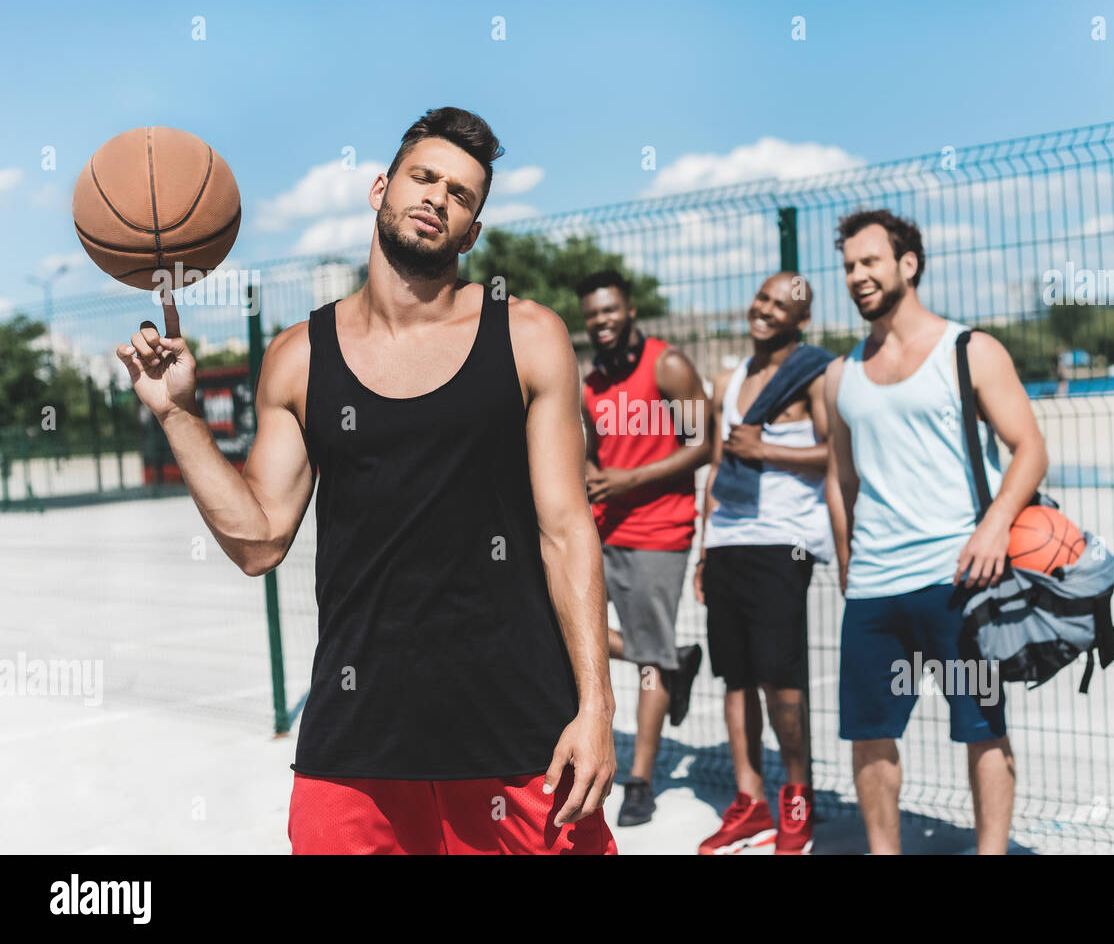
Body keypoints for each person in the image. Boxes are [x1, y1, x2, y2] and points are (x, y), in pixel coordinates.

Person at [116, 107, 618, 854]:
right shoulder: (299, 358)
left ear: (472, 231)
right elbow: (259, 541)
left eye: (461, 194)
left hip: (519, 730)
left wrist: (597, 706)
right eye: (423, 177)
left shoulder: (528, 336)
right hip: (359, 743)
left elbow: (565, 528)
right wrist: (180, 414)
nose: (438, 197)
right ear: (382, 187)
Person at [822, 209, 1049, 855]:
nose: (857, 276)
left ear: (907, 264)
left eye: (870, 261)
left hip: (959, 580)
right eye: (847, 267)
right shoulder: (840, 376)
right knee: (869, 734)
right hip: (873, 588)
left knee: (982, 727)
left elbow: (1029, 446)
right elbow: (841, 482)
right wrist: (846, 561)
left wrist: (994, 526)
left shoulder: (969, 349)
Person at [695, 271, 833, 855]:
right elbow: (718, 468)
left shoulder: (816, 375)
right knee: (735, 678)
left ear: (800, 321)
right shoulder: (730, 380)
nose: (767, 310)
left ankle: (797, 797)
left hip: (783, 541)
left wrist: (767, 449)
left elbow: (834, 455)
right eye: (763, 298)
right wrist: (703, 552)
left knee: (782, 679)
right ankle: (749, 801)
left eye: (782, 305)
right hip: (727, 541)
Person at [579, 269, 710, 827]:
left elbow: (703, 444)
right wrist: (590, 474)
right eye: (592, 315)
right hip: (601, 528)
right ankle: (668, 659)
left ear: (629, 310)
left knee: (647, 670)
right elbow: (588, 449)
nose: (601, 321)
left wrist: (630, 481)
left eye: (610, 310)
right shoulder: (592, 384)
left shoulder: (668, 365)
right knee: (566, 625)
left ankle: (640, 781)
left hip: (660, 530)